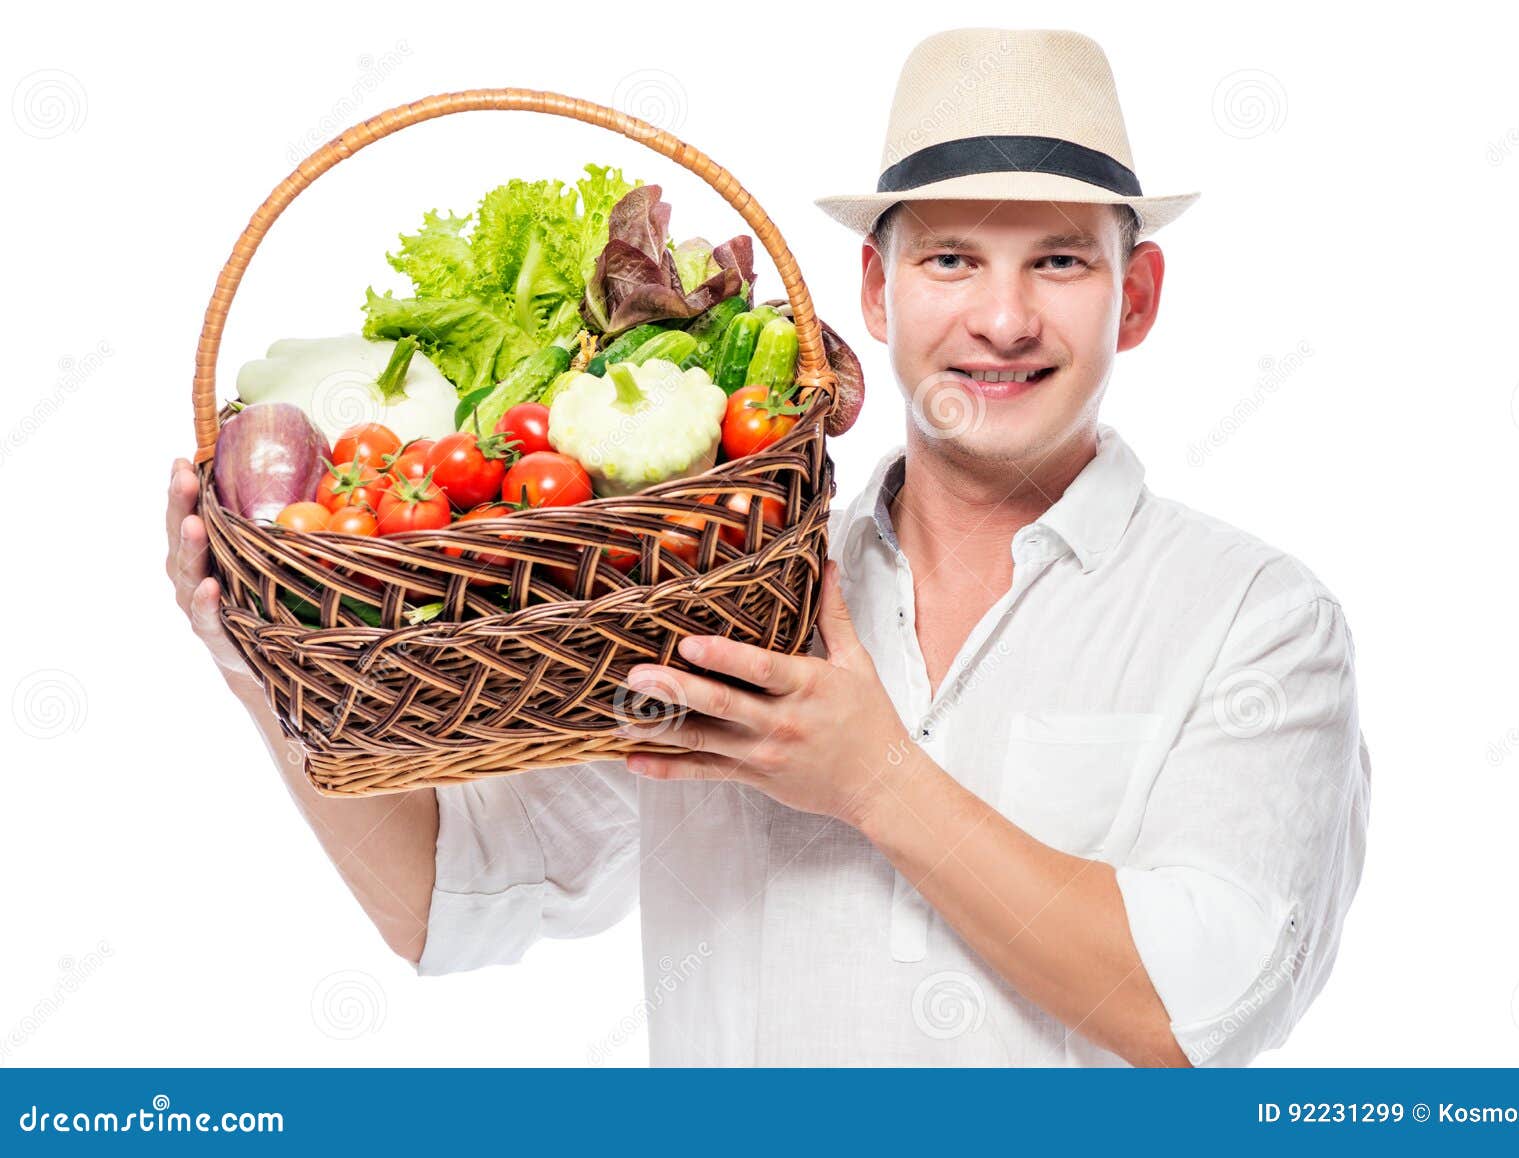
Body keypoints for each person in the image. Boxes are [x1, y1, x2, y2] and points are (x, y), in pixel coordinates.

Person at [165, 28, 1369, 1067]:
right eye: (950, 259)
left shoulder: (1252, 618)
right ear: (877, 291)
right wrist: (252, 659)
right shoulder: (717, 590)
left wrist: (876, 781)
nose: (1002, 319)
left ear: (1136, 296)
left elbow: (1202, 1009)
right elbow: (447, 901)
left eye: (1057, 260)